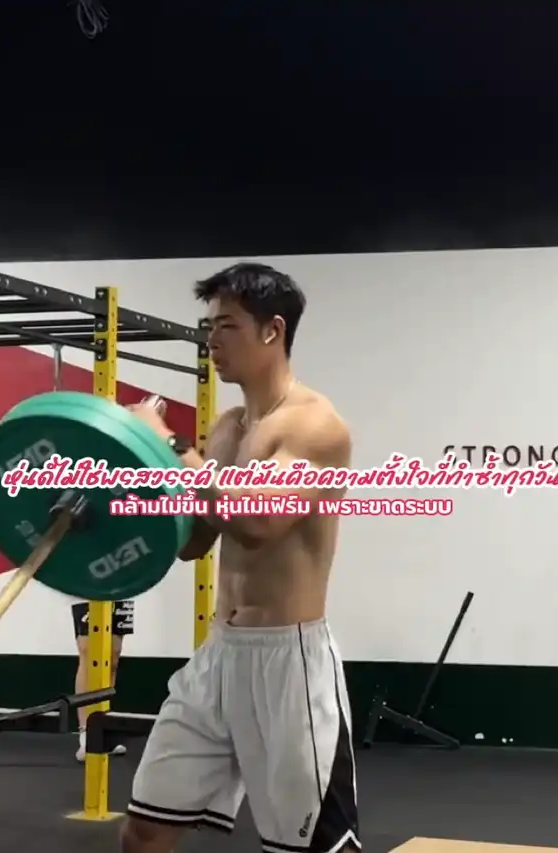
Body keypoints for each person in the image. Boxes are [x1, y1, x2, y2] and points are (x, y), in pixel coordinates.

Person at [121, 262, 360, 853]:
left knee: (307, 847)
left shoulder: (315, 426)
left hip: (289, 667)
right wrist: (147, 472)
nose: (212, 341)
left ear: (272, 330)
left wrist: (170, 444)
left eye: (226, 326)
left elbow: (257, 522)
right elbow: (193, 543)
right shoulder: (227, 429)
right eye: (209, 327)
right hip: (219, 657)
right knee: (145, 829)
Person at [71, 599, 134, 761]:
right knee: (88, 651)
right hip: (89, 589)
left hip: (119, 588)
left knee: (113, 654)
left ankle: (103, 729)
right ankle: (86, 731)